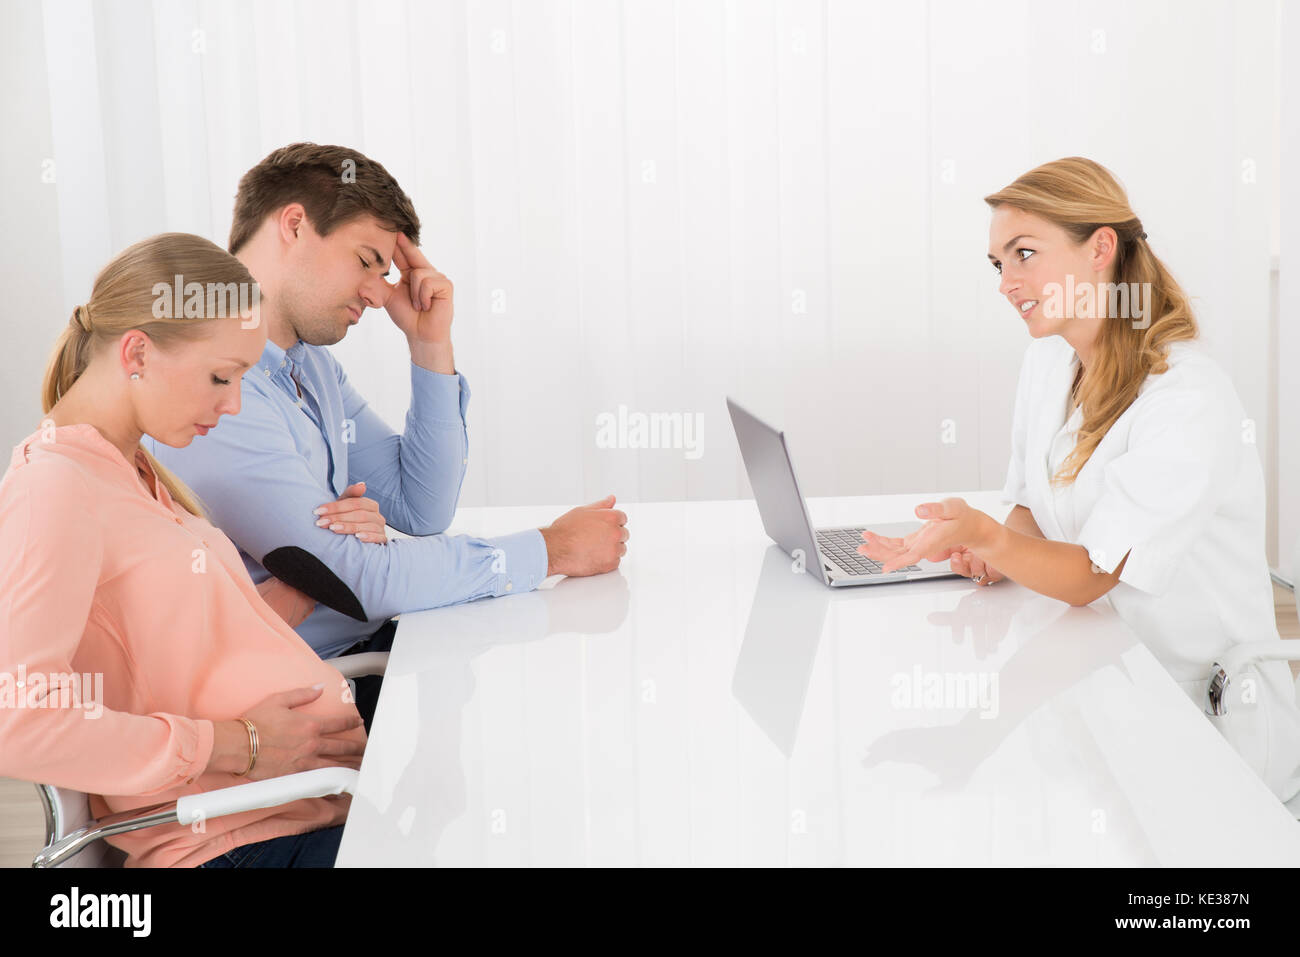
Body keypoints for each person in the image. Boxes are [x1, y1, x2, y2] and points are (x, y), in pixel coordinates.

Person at [858, 157, 1300, 811]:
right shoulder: (1048, 363)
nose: (1007, 282)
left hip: (1207, 724)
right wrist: (995, 550)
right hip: (1103, 693)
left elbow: (1093, 573)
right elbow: (1030, 509)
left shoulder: (1186, 395)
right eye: (997, 263)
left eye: (1024, 254)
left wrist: (985, 534)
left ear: (1100, 248)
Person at [144, 144, 629, 728]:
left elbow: (420, 507)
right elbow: (358, 581)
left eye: (386, 273)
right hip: (298, 700)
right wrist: (551, 549)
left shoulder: (307, 365)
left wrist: (429, 345)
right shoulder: (216, 391)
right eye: (366, 261)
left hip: (364, 659)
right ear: (294, 226)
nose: (377, 295)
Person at [0, 233, 367, 867]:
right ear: (138, 352)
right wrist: (238, 744)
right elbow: (17, 720)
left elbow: (169, 646)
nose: (234, 404)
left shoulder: (131, 471)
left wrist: (311, 568)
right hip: (240, 844)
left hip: (301, 809)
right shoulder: (55, 485)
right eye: (221, 377)